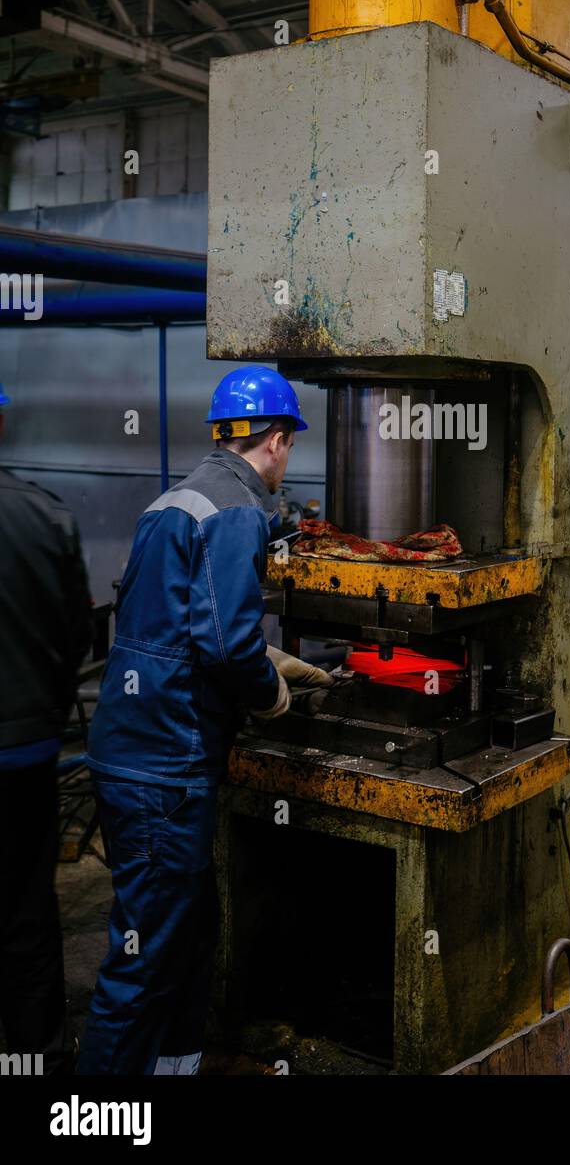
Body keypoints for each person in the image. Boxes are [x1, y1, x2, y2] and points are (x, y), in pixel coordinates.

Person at [77, 366, 332, 1076]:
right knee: (144, 954)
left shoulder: (177, 499)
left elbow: (176, 624)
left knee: (186, 933)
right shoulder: (240, 510)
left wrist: (265, 655)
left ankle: (172, 1074)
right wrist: (272, 694)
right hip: (164, 766)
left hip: (134, 747)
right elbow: (223, 643)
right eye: (289, 445)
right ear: (277, 441)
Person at [0, 379, 93, 1075]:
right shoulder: (47, 515)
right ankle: (34, 1065)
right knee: (28, 914)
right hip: (28, 755)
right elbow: (79, 636)